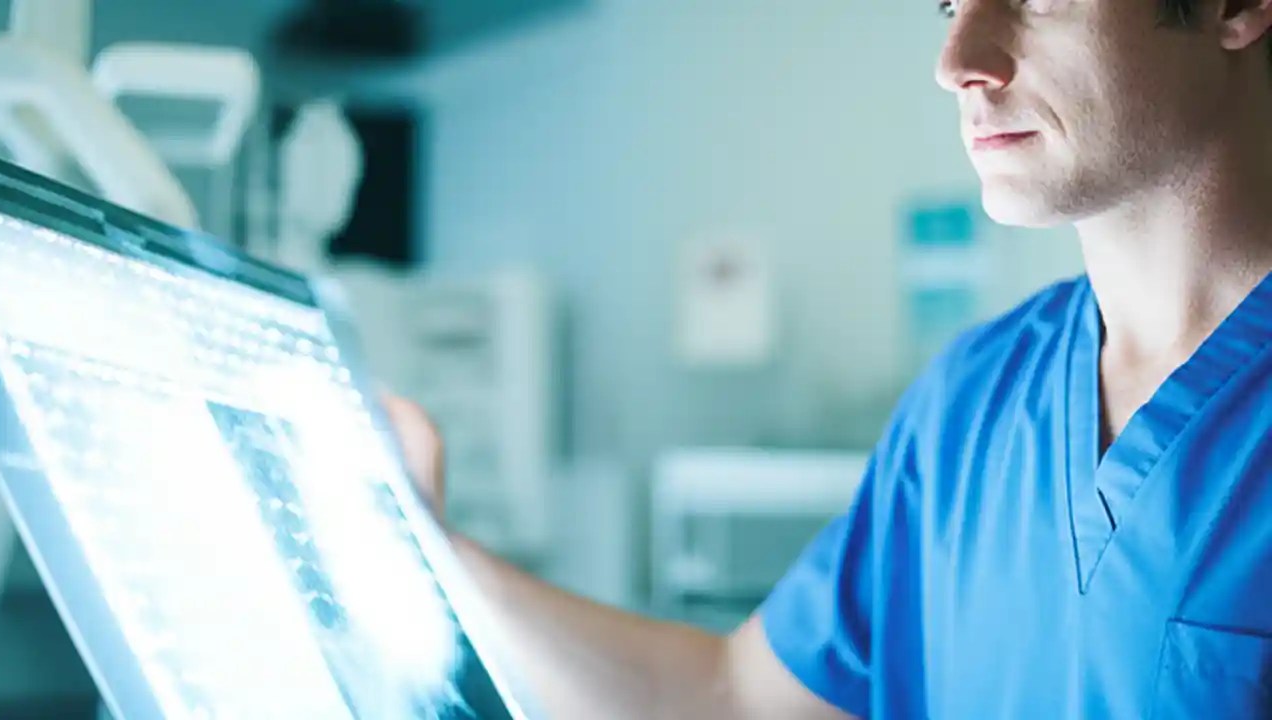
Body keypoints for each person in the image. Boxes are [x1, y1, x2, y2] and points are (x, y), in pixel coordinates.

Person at [384, 0, 1272, 717]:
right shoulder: (974, 400)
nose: (958, 55)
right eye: (949, 3)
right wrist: (424, 544)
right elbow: (733, 700)